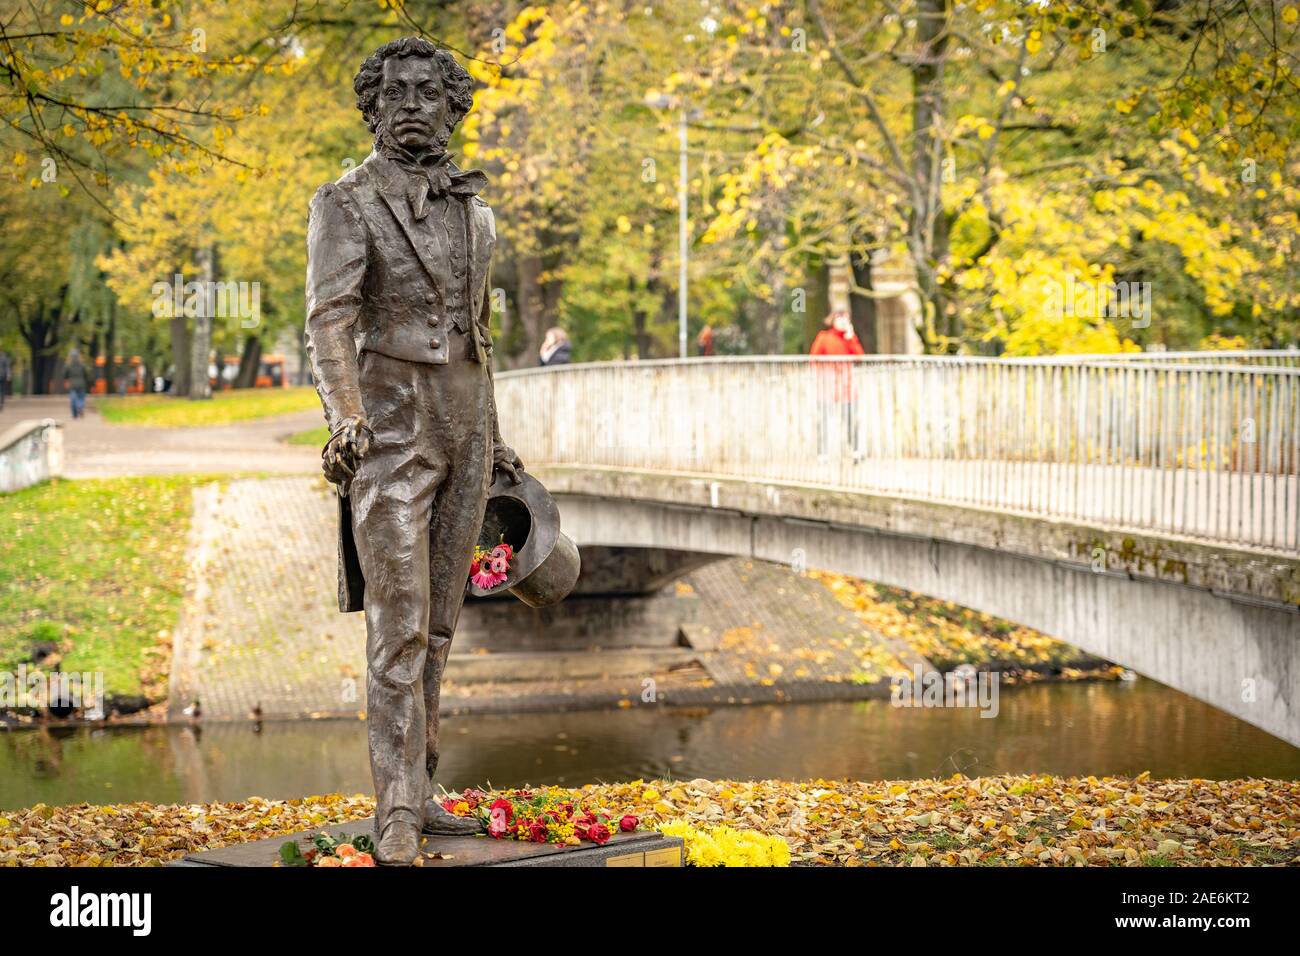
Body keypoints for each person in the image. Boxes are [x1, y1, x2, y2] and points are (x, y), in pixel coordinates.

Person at [305, 37, 523, 865]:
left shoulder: (477, 209)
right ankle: (393, 808)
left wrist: (496, 440)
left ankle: (424, 792)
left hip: (466, 424)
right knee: (397, 625)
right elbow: (328, 319)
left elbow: (481, 334)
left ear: (452, 104)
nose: (410, 106)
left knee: (438, 628)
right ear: (372, 106)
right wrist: (345, 417)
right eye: (393, 93)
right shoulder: (345, 201)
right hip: (392, 432)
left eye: (428, 93)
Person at [809, 310, 865, 461]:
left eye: (845, 319)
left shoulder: (850, 339)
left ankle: (855, 450)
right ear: (833, 320)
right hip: (828, 385)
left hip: (846, 386)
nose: (842, 322)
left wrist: (851, 337)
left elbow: (860, 357)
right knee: (824, 420)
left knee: (851, 418)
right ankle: (823, 453)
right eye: (839, 319)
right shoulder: (824, 337)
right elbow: (814, 358)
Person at [64, 349, 90, 419]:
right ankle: (80, 407)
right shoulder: (82, 364)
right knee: (81, 398)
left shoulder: (68, 365)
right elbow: (86, 374)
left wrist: (66, 382)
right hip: (82, 384)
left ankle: (75, 414)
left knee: (73, 399)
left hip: (72, 384)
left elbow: (65, 375)